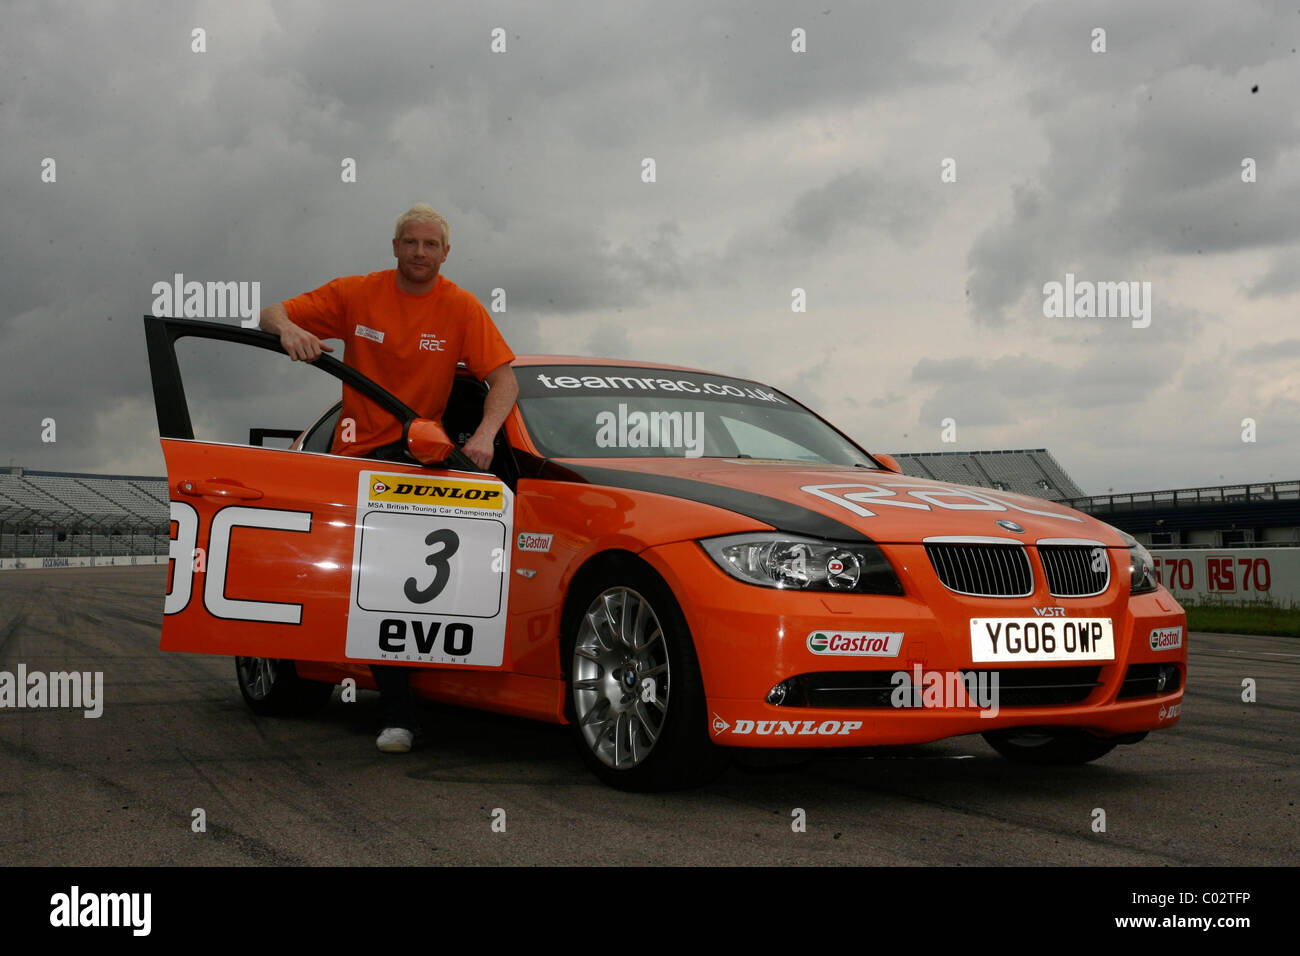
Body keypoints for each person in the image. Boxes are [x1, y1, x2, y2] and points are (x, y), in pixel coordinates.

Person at [259, 203, 518, 754]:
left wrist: (485, 436)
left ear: (445, 254)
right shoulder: (357, 293)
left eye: (430, 245)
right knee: (368, 587)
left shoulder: (461, 308)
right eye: (411, 243)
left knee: (394, 588)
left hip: (416, 461)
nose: (420, 253)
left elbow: (503, 381)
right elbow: (271, 311)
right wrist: (288, 332)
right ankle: (395, 714)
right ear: (394, 246)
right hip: (350, 460)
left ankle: (407, 709)